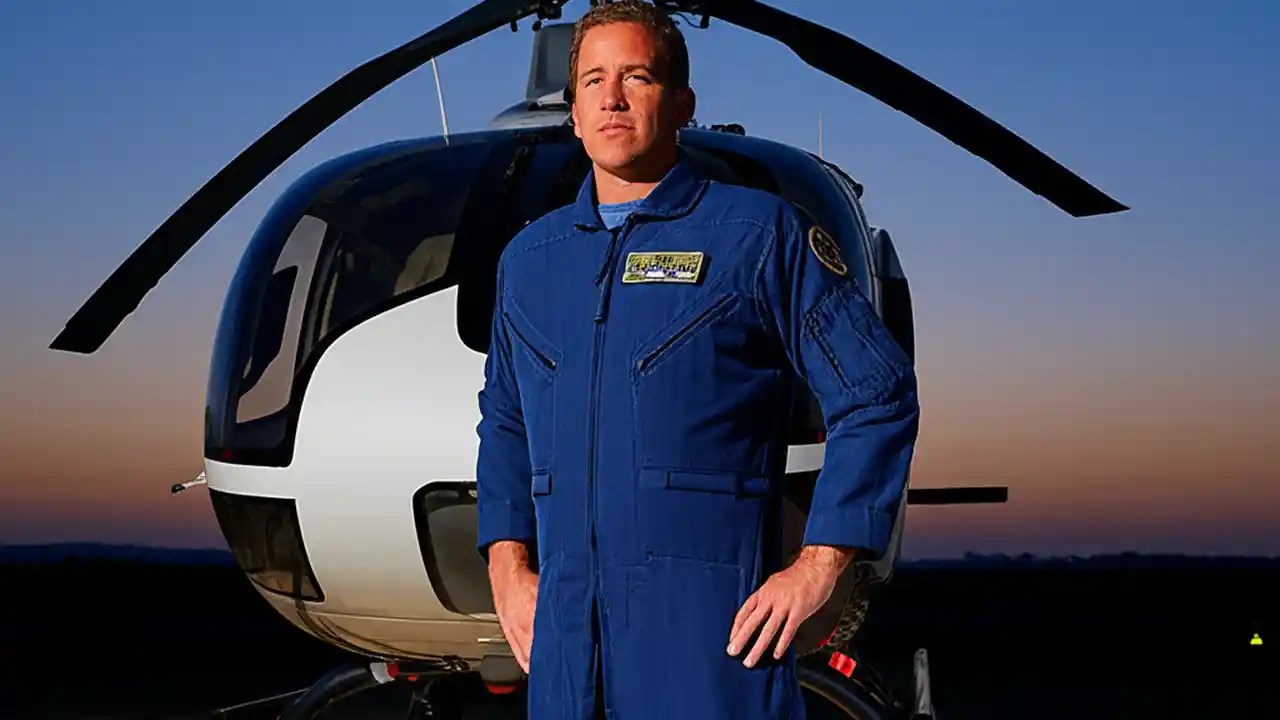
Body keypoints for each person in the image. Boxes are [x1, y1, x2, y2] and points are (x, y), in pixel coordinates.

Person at [474, 2, 920, 718]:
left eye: (637, 77)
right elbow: (504, 421)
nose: (612, 97)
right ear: (574, 111)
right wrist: (507, 565)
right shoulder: (531, 260)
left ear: (682, 103)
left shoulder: (756, 234)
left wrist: (819, 566)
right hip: (565, 641)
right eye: (593, 80)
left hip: (712, 636)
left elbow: (878, 392)